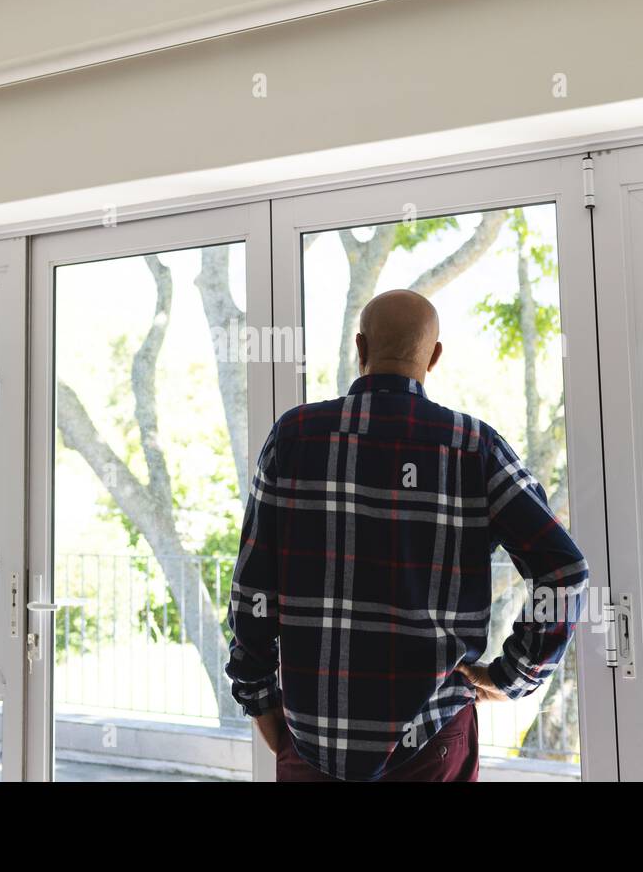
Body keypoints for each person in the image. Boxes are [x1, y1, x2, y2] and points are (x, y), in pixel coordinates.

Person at [225, 288, 589, 781]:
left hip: (311, 741)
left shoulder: (295, 436)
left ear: (360, 349)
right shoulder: (474, 447)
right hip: (433, 742)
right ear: (434, 356)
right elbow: (563, 569)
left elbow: (253, 588)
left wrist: (260, 701)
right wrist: (513, 677)